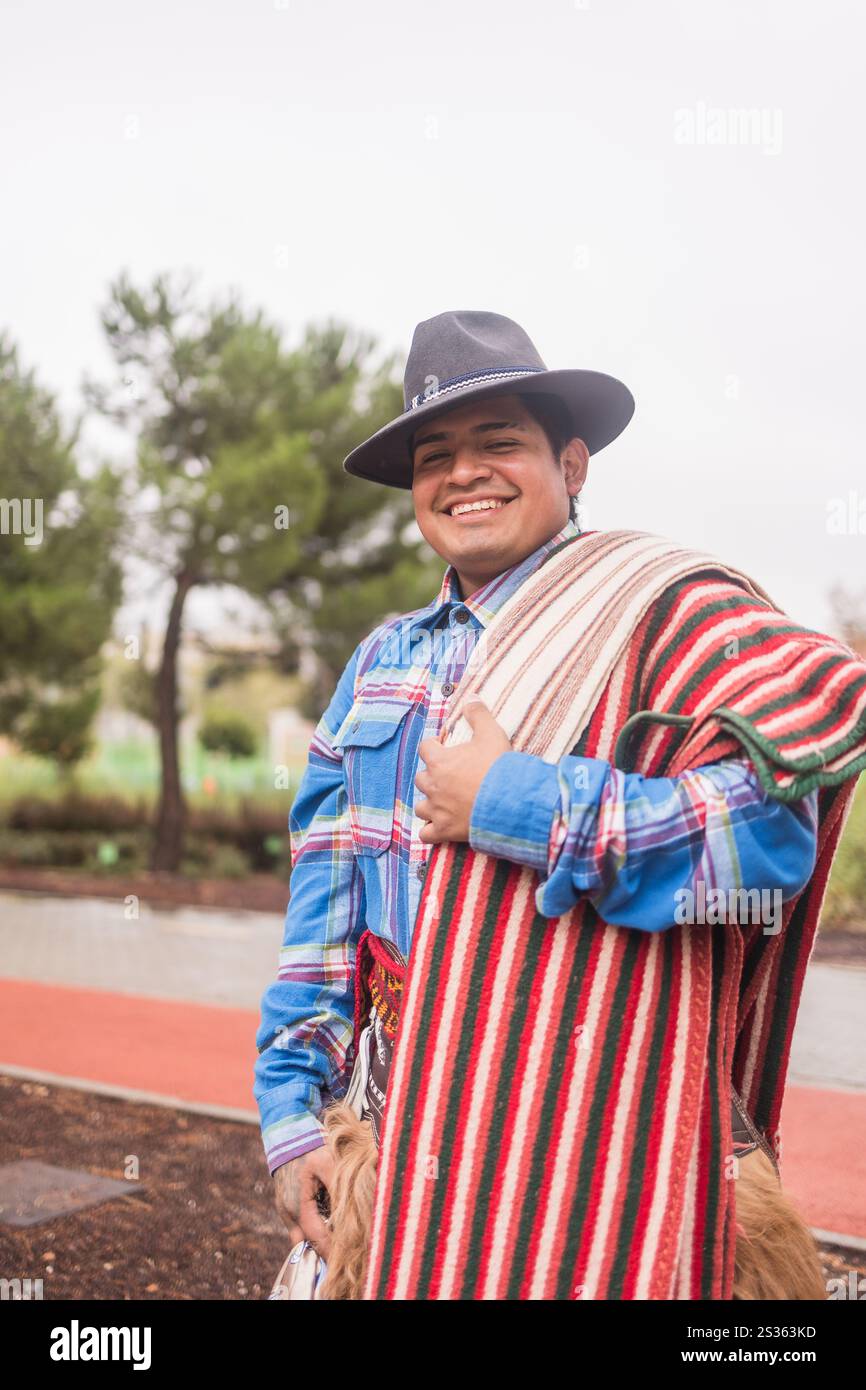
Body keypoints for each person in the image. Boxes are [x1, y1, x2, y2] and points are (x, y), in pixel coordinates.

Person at [252, 312, 866, 1299]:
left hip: (602, 1128)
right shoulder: (378, 666)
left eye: (498, 443)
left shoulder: (658, 622)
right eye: (435, 455)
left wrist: (511, 802)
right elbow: (323, 927)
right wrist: (290, 1123)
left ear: (571, 464)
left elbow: (761, 849)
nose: (464, 474)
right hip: (397, 1131)